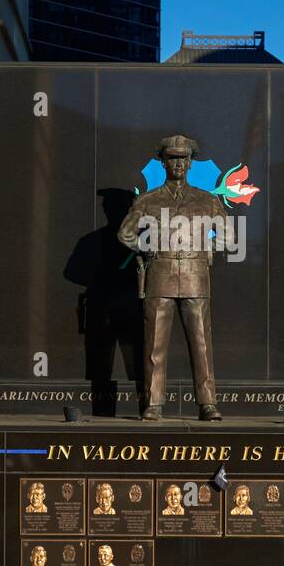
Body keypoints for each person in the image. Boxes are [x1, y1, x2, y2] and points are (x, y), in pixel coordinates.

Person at [117, 134, 226, 421]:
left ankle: (208, 403)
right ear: (163, 163)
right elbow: (125, 234)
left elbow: (226, 233)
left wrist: (207, 249)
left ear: (191, 163)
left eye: (183, 158)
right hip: (160, 275)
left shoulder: (207, 200)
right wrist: (148, 247)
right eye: (173, 158)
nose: (179, 163)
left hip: (195, 276)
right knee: (154, 344)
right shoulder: (148, 201)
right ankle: (153, 403)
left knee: (202, 344)